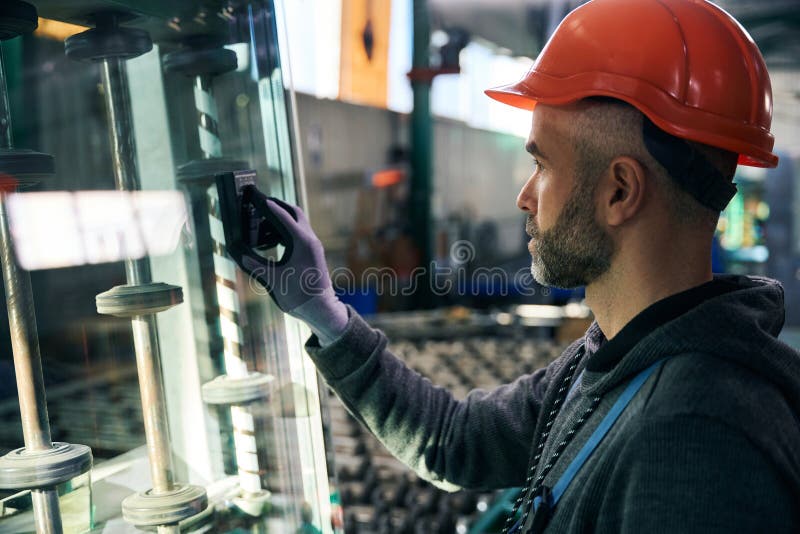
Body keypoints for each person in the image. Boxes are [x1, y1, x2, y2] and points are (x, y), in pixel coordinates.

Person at [230, 0, 800, 531]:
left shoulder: (695, 442)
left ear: (620, 191)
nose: (525, 197)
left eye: (543, 165)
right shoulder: (618, 351)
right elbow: (457, 441)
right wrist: (323, 312)